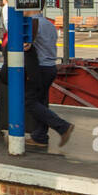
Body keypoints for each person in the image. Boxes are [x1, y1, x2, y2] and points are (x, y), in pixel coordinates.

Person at [26, 9, 70, 148]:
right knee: (42, 102)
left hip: (39, 68)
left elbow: (25, 46)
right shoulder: (49, 24)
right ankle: (40, 137)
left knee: (28, 101)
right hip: (51, 67)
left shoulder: (33, 23)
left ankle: (63, 126)